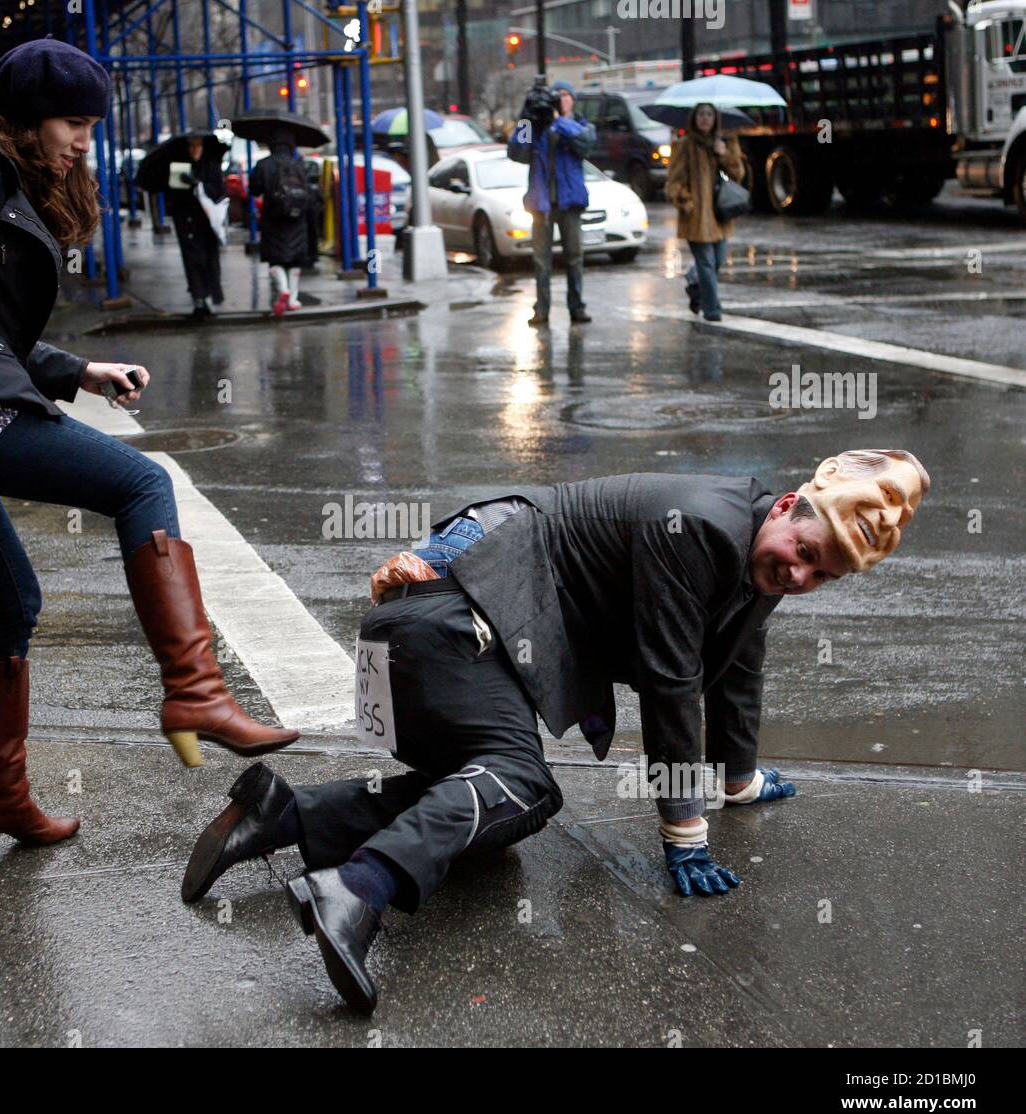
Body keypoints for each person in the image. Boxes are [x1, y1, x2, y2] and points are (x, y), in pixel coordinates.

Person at [181, 449, 929, 1013]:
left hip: (458, 632)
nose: (800, 577)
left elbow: (735, 669)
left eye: (822, 575)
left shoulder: (756, 555)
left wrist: (741, 778)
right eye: (804, 554)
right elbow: (673, 683)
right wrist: (685, 831)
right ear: (789, 507)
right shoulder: (703, 526)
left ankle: (283, 814)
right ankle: (355, 888)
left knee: (498, 808)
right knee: (522, 783)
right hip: (444, 620)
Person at [0, 38, 298, 858]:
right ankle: (195, 692)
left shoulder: (0, 181)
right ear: (28, 118)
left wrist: (80, 370)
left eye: (90, 124)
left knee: (10, 603)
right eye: (73, 122)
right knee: (141, 482)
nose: (83, 140)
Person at [507, 80, 597, 327]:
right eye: (558, 95)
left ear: (572, 100)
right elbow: (518, 152)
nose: (562, 98)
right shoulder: (534, 127)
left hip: (570, 203)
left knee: (574, 258)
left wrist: (558, 120)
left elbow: (585, 144)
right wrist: (525, 119)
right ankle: (542, 309)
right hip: (541, 204)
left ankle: (576, 306)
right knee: (540, 261)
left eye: (566, 95)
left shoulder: (579, 124)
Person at [665, 102, 746, 323]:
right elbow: (673, 183)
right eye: (701, 114)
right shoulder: (684, 146)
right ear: (694, 118)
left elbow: (738, 175)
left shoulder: (724, 143)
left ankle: (694, 282)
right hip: (696, 217)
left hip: (720, 214)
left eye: (710, 114)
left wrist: (724, 155)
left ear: (715, 118)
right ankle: (712, 310)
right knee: (707, 264)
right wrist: (686, 202)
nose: (705, 118)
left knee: (717, 260)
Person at [159, 133, 227, 318]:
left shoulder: (212, 167)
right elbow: (173, 195)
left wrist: (199, 186)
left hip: (207, 223)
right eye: (191, 146)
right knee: (192, 259)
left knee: (209, 259)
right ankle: (199, 298)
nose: (195, 150)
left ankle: (210, 296)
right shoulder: (180, 168)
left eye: (198, 146)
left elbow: (220, 192)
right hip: (187, 222)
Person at [249, 129, 311, 316]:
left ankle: (282, 289)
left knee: (274, 258)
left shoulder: (263, 165)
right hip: (297, 218)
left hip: (273, 217)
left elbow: (254, 190)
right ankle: (292, 299)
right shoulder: (298, 164)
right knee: (295, 259)